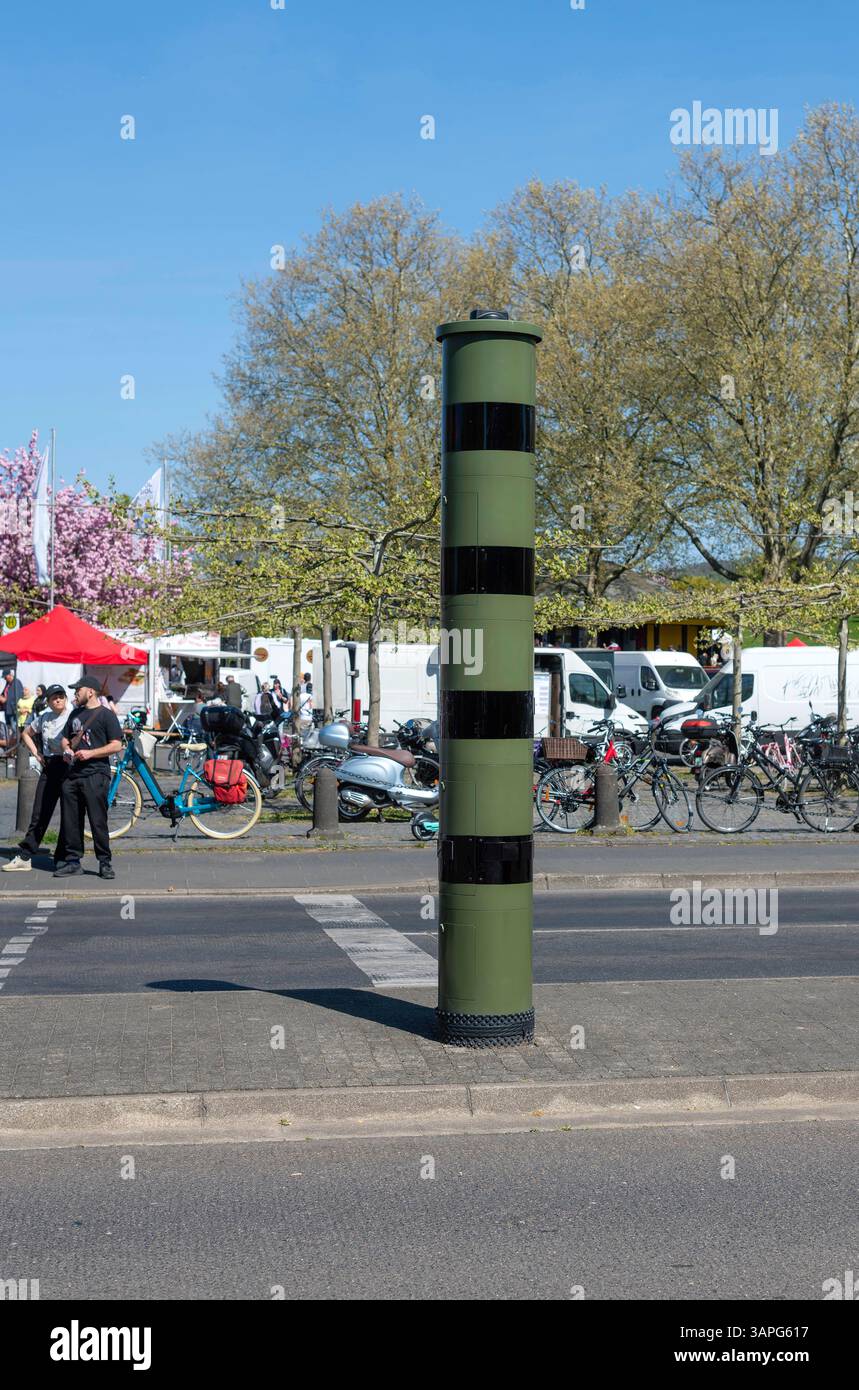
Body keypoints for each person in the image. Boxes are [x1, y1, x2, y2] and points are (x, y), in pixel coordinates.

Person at [54, 676, 124, 880]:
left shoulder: (106, 715)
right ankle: (73, 862)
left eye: (78, 689)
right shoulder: (75, 713)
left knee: (97, 820)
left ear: (91, 691)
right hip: (73, 775)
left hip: (96, 774)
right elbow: (66, 739)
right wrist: (66, 749)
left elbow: (117, 744)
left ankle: (105, 862)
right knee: (71, 821)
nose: (75, 692)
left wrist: (91, 753)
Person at [2, 685, 70, 872]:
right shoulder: (44, 718)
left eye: (60, 696)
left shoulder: (72, 716)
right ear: (47, 702)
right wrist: (37, 753)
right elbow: (26, 734)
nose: (58, 699)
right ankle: (25, 856)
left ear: (66, 698)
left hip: (69, 768)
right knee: (39, 812)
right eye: (53, 697)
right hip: (49, 766)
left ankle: (62, 856)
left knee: (68, 814)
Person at [0, 667, 23, 736]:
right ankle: (11, 743)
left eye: (5, 677)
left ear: (10, 675)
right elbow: (5, 694)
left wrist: (5, 700)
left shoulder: (16, 683)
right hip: (7, 710)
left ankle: (16, 744)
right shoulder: (8, 683)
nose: (4, 678)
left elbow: (18, 696)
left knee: (14, 728)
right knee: (9, 728)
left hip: (13, 710)